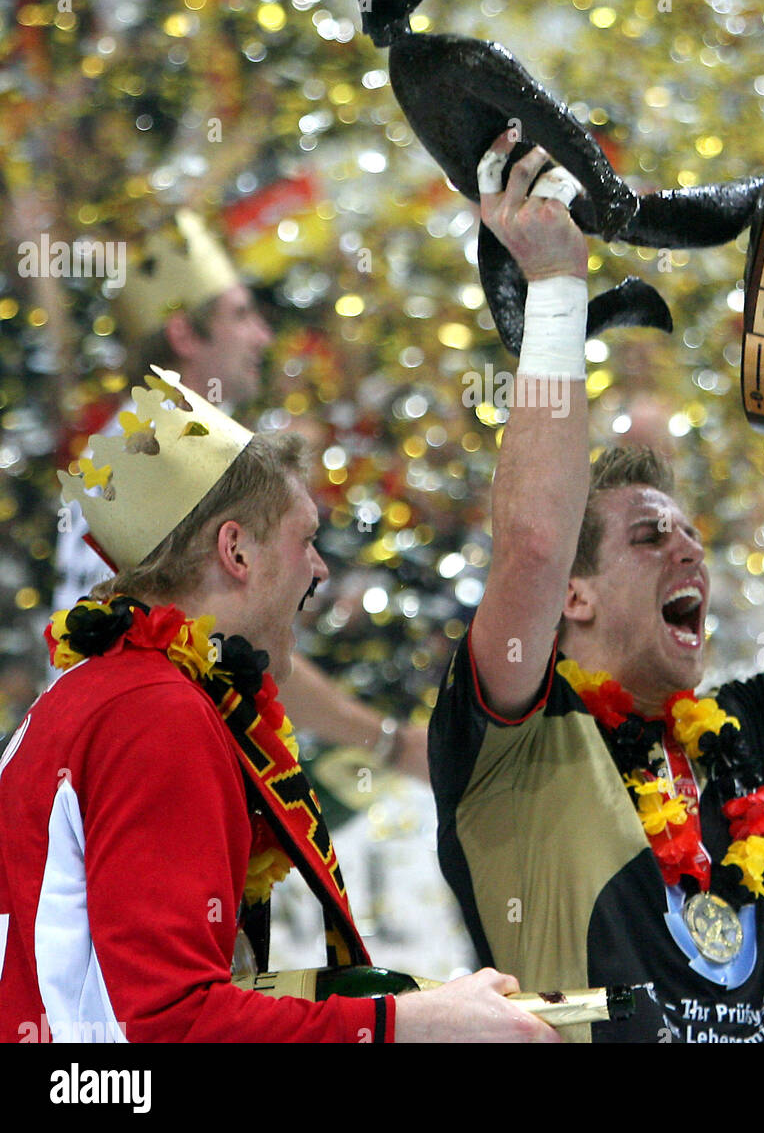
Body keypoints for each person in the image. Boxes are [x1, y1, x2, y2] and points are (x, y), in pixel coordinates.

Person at [428, 129, 764, 1042]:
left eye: (692, 536)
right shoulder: (512, 742)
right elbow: (532, 544)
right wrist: (560, 290)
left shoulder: (746, 735)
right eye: (650, 539)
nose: (690, 555)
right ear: (577, 597)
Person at [0, 367, 555, 1042]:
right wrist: (410, 1024)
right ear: (235, 550)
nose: (320, 569)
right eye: (305, 538)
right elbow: (172, 1027)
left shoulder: (104, 690)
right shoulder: (156, 711)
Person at [52, 209, 427, 780]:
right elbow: (240, 643)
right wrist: (394, 747)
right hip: (139, 764)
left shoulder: (142, 439)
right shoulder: (168, 453)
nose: (262, 335)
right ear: (184, 333)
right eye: (241, 315)